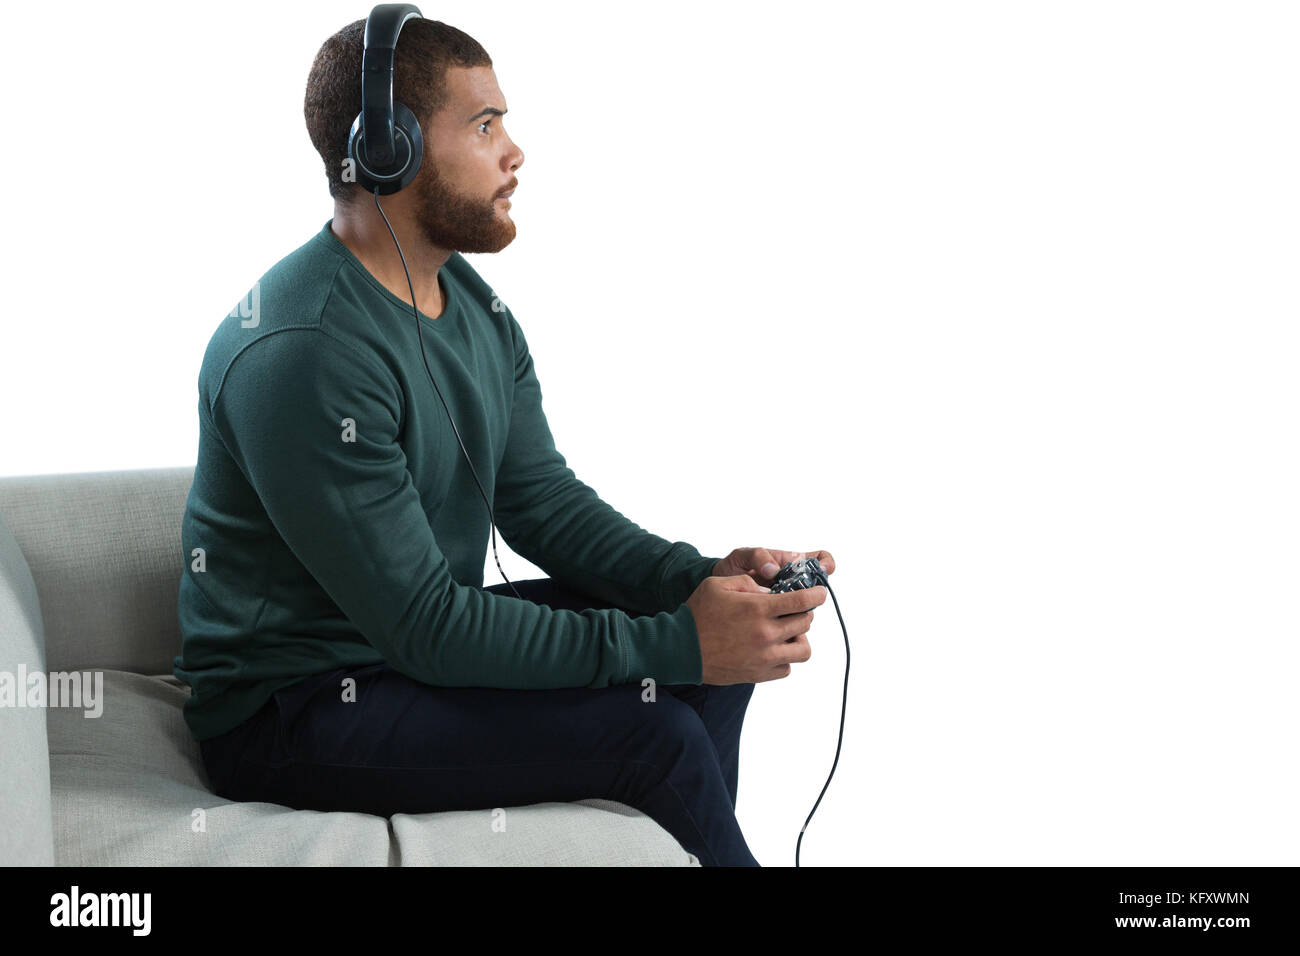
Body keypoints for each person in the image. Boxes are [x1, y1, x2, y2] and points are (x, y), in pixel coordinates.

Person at [173, 16, 835, 867]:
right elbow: (429, 627)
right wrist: (676, 641)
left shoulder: (470, 306)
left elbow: (544, 505)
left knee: (703, 648)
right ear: (388, 148)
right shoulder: (305, 352)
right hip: (293, 709)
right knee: (656, 728)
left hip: (398, 654)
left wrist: (700, 581)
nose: (515, 152)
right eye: (485, 125)